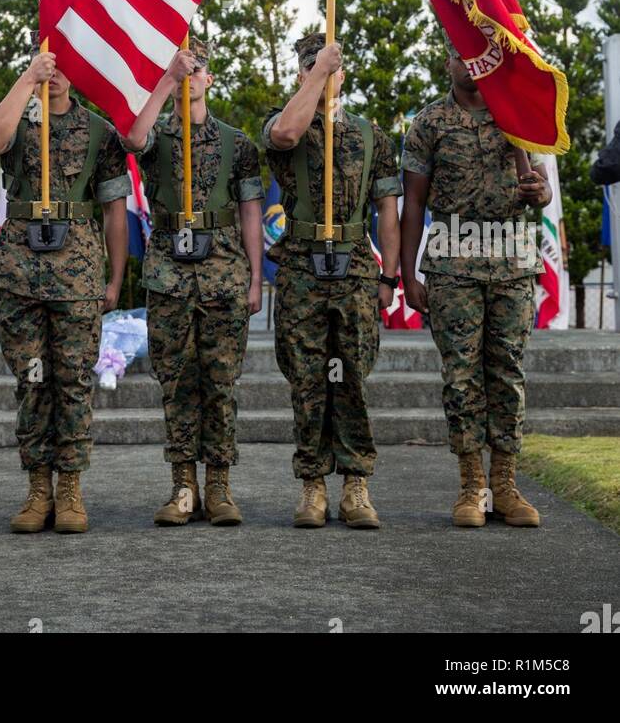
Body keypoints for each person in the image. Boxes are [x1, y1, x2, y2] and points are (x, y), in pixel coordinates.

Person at [400, 40, 551, 529]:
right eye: (460, 54)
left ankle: (505, 485)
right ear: (446, 60)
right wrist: (407, 272)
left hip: (511, 261)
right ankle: (472, 486)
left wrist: (541, 192)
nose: (469, 64)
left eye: (478, 55)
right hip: (453, 266)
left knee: (506, 372)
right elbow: (414, 205)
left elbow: (542, 189)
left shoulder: (518, 116)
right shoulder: (429, 124)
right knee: (461, 378)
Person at [0, 49, 129, 534]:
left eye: (64, 65)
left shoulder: (100, 132)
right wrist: (27, 79)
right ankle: (38, 486)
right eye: (48, 62)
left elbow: (114, 211)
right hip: (22, 276)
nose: (56, 73)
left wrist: (115, 279)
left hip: (77, 277)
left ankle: (70, 488)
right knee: (32, 381)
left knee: (74, 383)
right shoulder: (18, 120)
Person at [263, 33, 402, 529]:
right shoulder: (283, 122)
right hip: (302, 267)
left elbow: (387, 209)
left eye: (330, 67)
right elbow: (284, 136)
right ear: (302, 72)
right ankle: (313, 484)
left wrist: (390, 273)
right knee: (307, 379)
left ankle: (356, 484)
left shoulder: (370, 136)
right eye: (310, 67)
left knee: (352, 377)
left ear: (345, 73)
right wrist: (317, 73)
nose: (321, 74)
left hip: (355, 269)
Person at [124, 41, 264, 527]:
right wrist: (165, 78)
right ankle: (183, 485)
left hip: (224, 274)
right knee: (177, 382)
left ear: (209, 79)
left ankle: (220, 485)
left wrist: (253, 278)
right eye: (182, 68)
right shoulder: (158, 134)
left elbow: (250, 211)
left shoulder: (236, 143)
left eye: (195, 69)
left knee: (221, 383)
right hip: (169, 277)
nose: (189, 76)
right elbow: (131, 139)